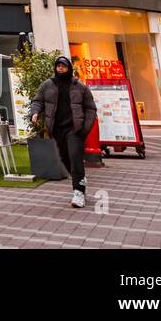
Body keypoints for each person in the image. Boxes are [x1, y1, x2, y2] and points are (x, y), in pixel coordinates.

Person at [29, 55, 97, 208]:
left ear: (69, 68)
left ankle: (78, 192)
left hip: (75, 129)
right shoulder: (47, 85)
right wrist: (35, 112)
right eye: (58, 66)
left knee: (75, 158)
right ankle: (79, 178)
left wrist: (85, 128)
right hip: (57, 129)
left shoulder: (80, 86)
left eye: (64, 66)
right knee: (65, 158)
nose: (60, 68)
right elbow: (37, 101)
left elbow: (90, 108)